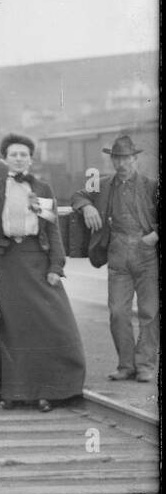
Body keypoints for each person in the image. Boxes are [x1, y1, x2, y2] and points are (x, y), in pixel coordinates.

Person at [0, 134, 86, 411]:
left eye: (23, 154)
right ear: (5, 158)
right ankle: (14, 392)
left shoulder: (42, 188)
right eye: (13, 154)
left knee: (50, 324)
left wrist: (56, 266)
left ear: (30, 158)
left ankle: (50, 391)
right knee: (13, 330)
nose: (18, 159)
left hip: (37, 263)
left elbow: (52, 229)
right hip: (6, 265)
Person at [71, 134, 158, 383]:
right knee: (118, 312)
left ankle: (145, 365)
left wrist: (153, 236)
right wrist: (87, 207)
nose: (122, 164)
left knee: (149, 312)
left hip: (146, 255)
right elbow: (78, 195)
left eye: (126, 158)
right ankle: (126, 365)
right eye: (117, 158)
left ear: (135, 159)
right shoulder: (103, 184)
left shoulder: (151, 185)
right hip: (118, 254)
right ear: (112, 160)